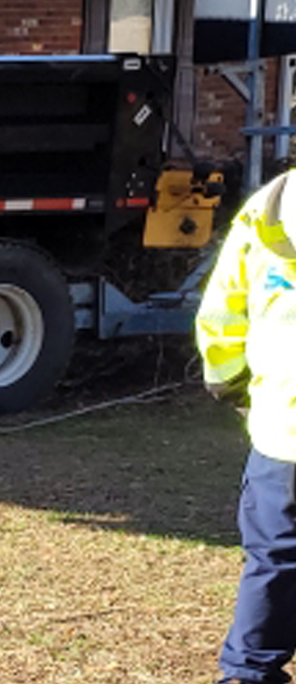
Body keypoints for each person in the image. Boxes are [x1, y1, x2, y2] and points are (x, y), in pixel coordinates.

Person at [197, 169, 296, 684]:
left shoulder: (271, 203)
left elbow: (221, 311)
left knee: (274, 558)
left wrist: (234, 385)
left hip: (282, 426)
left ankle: (247, 673)